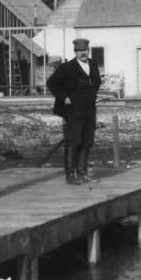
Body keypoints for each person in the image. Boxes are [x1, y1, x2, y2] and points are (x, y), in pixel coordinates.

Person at [47, 38, 102, 185]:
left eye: (85, 50)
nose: (83, 53)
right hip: (73, 110)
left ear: (88, 50)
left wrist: (91, 95)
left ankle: (82, 173)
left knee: (87, 140)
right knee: (74, 141)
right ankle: (70, 175)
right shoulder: (67, 67)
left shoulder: (93, 64)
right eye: (79, 51)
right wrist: (64, 97)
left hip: (89, 109)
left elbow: (97, 82)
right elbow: (51, 83)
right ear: (75, 52)